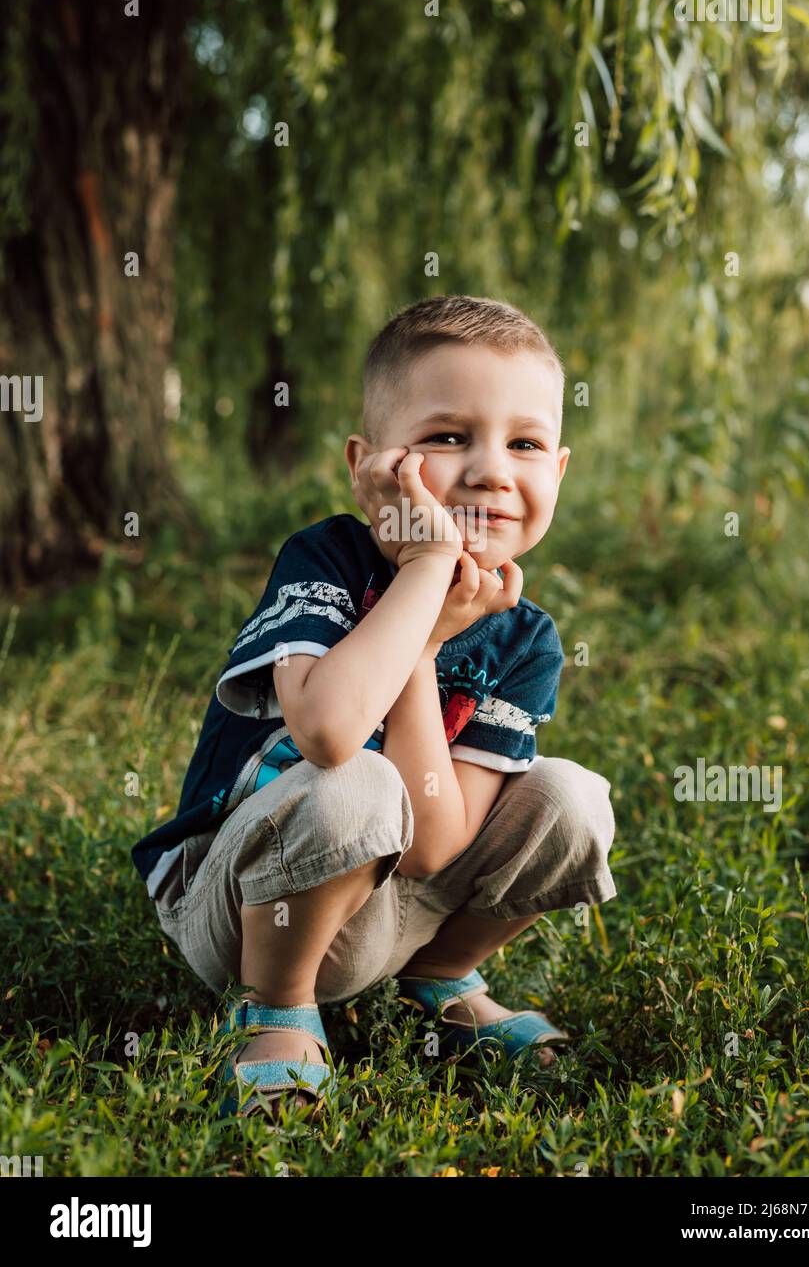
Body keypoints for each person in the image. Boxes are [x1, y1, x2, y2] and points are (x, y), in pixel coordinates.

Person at [131, 294, 617, 1117]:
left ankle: (437, 977)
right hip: (246, 905)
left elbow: (433, 845)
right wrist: (425, 569)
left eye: (524, 443)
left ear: (557, 471)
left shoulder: (524, 636)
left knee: (573, 798)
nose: (491, 469)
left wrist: (426, 652)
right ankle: (275, 1009)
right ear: (371, 465)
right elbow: (325, 733)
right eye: (446, 437)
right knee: (354, 778)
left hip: (392, 905)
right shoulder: (323, 558)